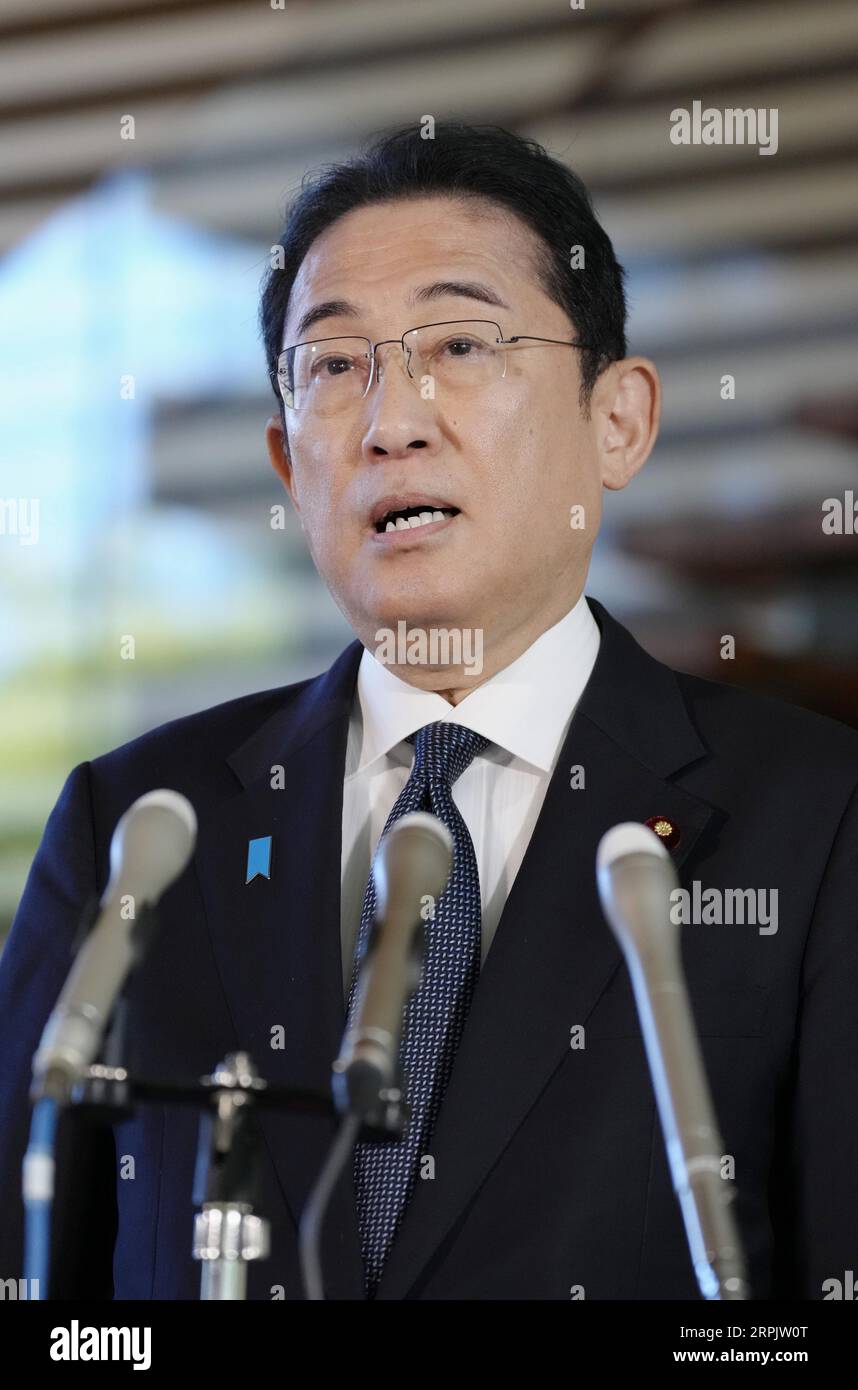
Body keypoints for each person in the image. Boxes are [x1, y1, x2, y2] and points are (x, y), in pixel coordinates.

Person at [1, 122, 856, 1301]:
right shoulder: (142, 826)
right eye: (336, 365)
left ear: (620, 421)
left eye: (460, 342)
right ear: (288, 464)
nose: (392, 420)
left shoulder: (814, 821)